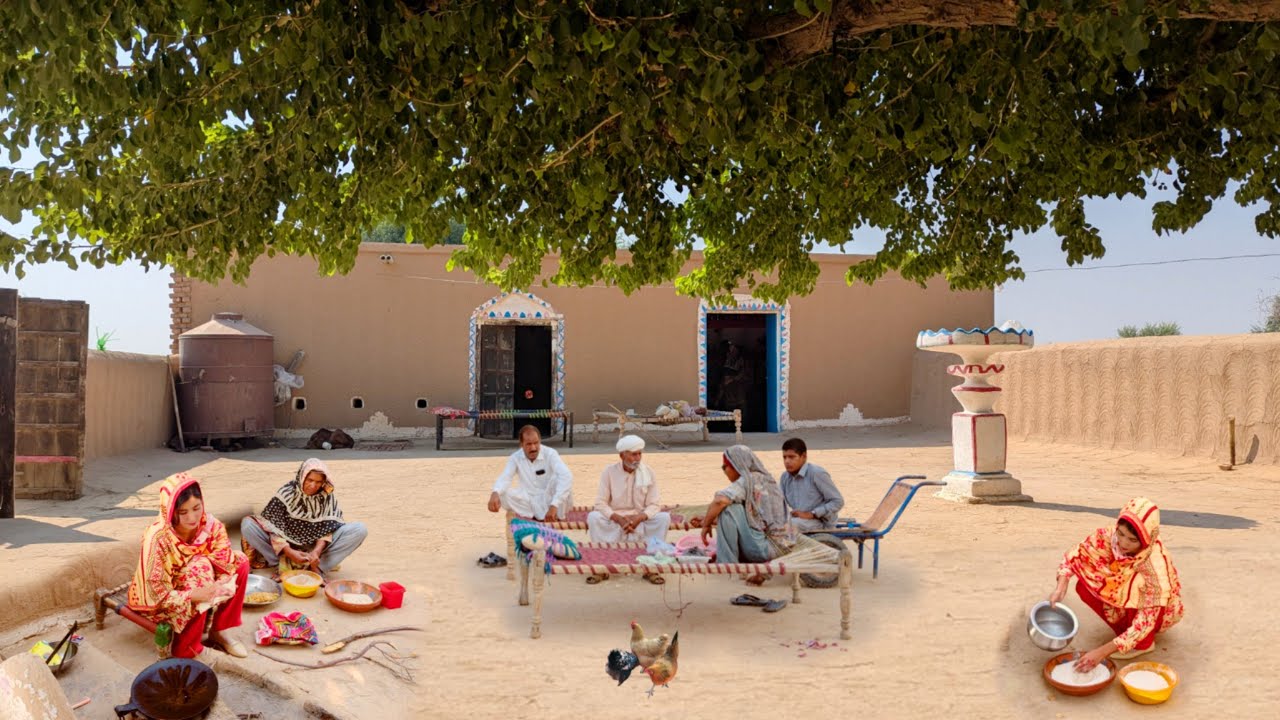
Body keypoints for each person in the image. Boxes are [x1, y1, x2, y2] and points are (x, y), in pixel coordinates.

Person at [1049, 497, 1185, 672]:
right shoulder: (1107, 537)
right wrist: (1060, 587)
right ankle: (1124, 634)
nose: (1123, 543)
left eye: (1132, 540)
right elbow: (1075, 555)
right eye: (1120, 533)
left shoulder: (1154, 564)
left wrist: (1101, 652)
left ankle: (1143, 644)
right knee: (1083, 587)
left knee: (1140, 593)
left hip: (1154, 612)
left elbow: (1146, 620)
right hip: (1123, 592)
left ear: (1145, 539)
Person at [127, 473, 249, 659]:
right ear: (169, 511)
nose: (192, 518)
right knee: (199, 570)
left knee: (240, 561)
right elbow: (155, 592)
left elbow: (224, 559)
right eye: (183, 512)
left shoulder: (210, 526)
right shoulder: (157, 538)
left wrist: (220, 584)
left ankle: (219, 631)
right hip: (164, 599)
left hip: (201, 583)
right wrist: (195, 594)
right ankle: (188, 648)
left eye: (196, 508)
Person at [240, 458, 368, 580]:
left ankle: (318, 567)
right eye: (309, 480)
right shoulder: (287, 493)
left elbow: (328, 529)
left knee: (359, 529)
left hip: (313, 547)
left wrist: (316, 552)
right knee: (248, 525)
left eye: (318, 482)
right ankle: (280, 564)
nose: (313, 485)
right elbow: (271, 527)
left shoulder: (327, 497)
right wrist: (289, 551)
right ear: (302, 477)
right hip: (284, 545)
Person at [694, 445, 796, 584]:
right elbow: (750, 515)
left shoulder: (749, 480)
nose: (724, 471)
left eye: (725, 467)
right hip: (779, 545)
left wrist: (706, 525)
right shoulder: (764, 478)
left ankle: (727, 564)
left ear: (736, 466)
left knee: (728, 509)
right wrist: (707, 518)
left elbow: (720, 501)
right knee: (730, 507)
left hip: (767, 548)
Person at [585, 435, 671, 585]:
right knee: (594, 517)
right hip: (616, 518)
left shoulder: (649, 472)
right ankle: (602, 568)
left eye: (640, 454)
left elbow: (654, 504)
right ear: (622, 455)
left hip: (640, 518)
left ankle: (651, 568)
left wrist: (639, 518)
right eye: (633, 454)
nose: (637, 458)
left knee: (663, 518)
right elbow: (600, 503)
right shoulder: (609, 472)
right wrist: (618, 518)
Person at [487, 424, 573, 522]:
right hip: (529, 502)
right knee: (502, 494)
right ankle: (534, 515)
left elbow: (566, 476)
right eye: (528, 444)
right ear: (521, 444)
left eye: (536, 443)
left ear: (540, 441)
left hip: (552, 501)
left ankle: (556, 514)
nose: (533, 448)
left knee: (560, 479)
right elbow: (506, 477)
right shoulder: (515, 458)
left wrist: (554, 504)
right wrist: (495, 492)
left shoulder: (550, 453)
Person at [779, 438, 844, 532]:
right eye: (784, 457)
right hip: (800, 521)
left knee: (788, 525)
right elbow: (778, 501)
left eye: (792, 457)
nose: (787, 461)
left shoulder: (817, 473)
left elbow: (838, 501)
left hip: (820, 522)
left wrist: (812, 514)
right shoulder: (785, 477)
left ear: (804, 457)